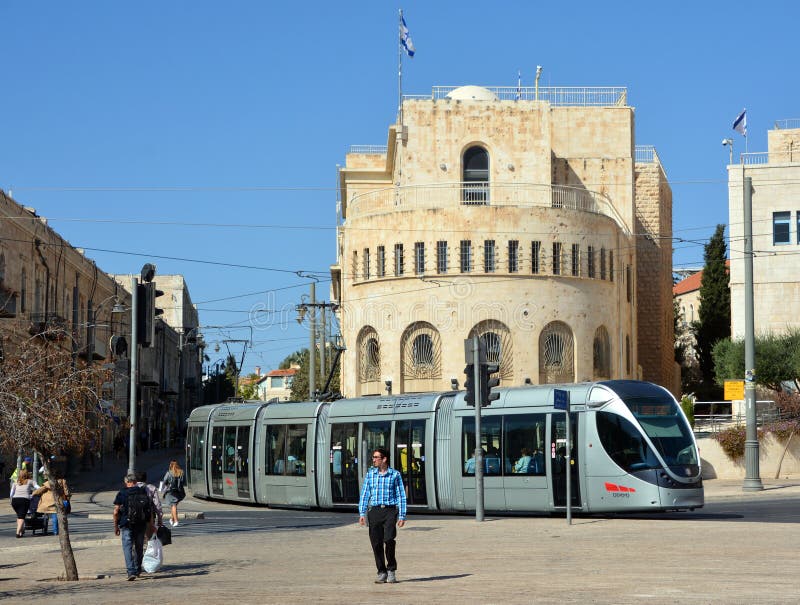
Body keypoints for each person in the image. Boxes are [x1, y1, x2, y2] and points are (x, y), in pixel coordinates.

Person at [358, 447, 407, 584]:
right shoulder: (370, 474)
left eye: (376, 457)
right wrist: (362, 513)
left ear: (384, 459)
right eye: (373, 457)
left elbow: (401, 496)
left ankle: (391, 570)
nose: (373, 460)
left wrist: (402, 515)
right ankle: (381, 572)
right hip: (374, 511)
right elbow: (365, 494)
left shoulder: (395, 475)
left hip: (390, 511)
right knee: (376, 543)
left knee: (389, 540)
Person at [113, 473, 152, 580]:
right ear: (135, 482)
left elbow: (116, 511)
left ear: (127, 482)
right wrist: (150, 524)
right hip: (141, 524)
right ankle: (138, 569)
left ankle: (131, 572)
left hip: (126, 524)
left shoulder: (122, 493)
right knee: (139, 547)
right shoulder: (143, 491)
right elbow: (148, 509)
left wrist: (116, 526)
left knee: (127, 547)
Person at [135, 470, 163, 539]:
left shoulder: (131, 488)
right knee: (149, 538)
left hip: (134, 516)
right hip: (149, 516)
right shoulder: (151, 488)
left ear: (135, 479)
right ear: (146, 478)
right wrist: (160, 517)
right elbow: (157, 504)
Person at [10, 469, 37, 538]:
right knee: (21, 517)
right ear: (27, 474)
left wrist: (12, 500)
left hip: (15, 501)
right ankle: (17, 532)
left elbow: (11, 493)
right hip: (24, 500)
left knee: (19, 516)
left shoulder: (16, 482)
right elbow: (38, 487)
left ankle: (21, 531)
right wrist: (32, 495)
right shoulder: (30, 481)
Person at [160, 460, 186, 527]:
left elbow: (164, 481)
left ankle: (176, 521)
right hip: (179, 491)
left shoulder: (169, 473)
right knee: (174, 505)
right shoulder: (181, 472)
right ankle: (172, 519)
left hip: (170, 492)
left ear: (170, 465)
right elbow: (183, 482)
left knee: (173, 505)